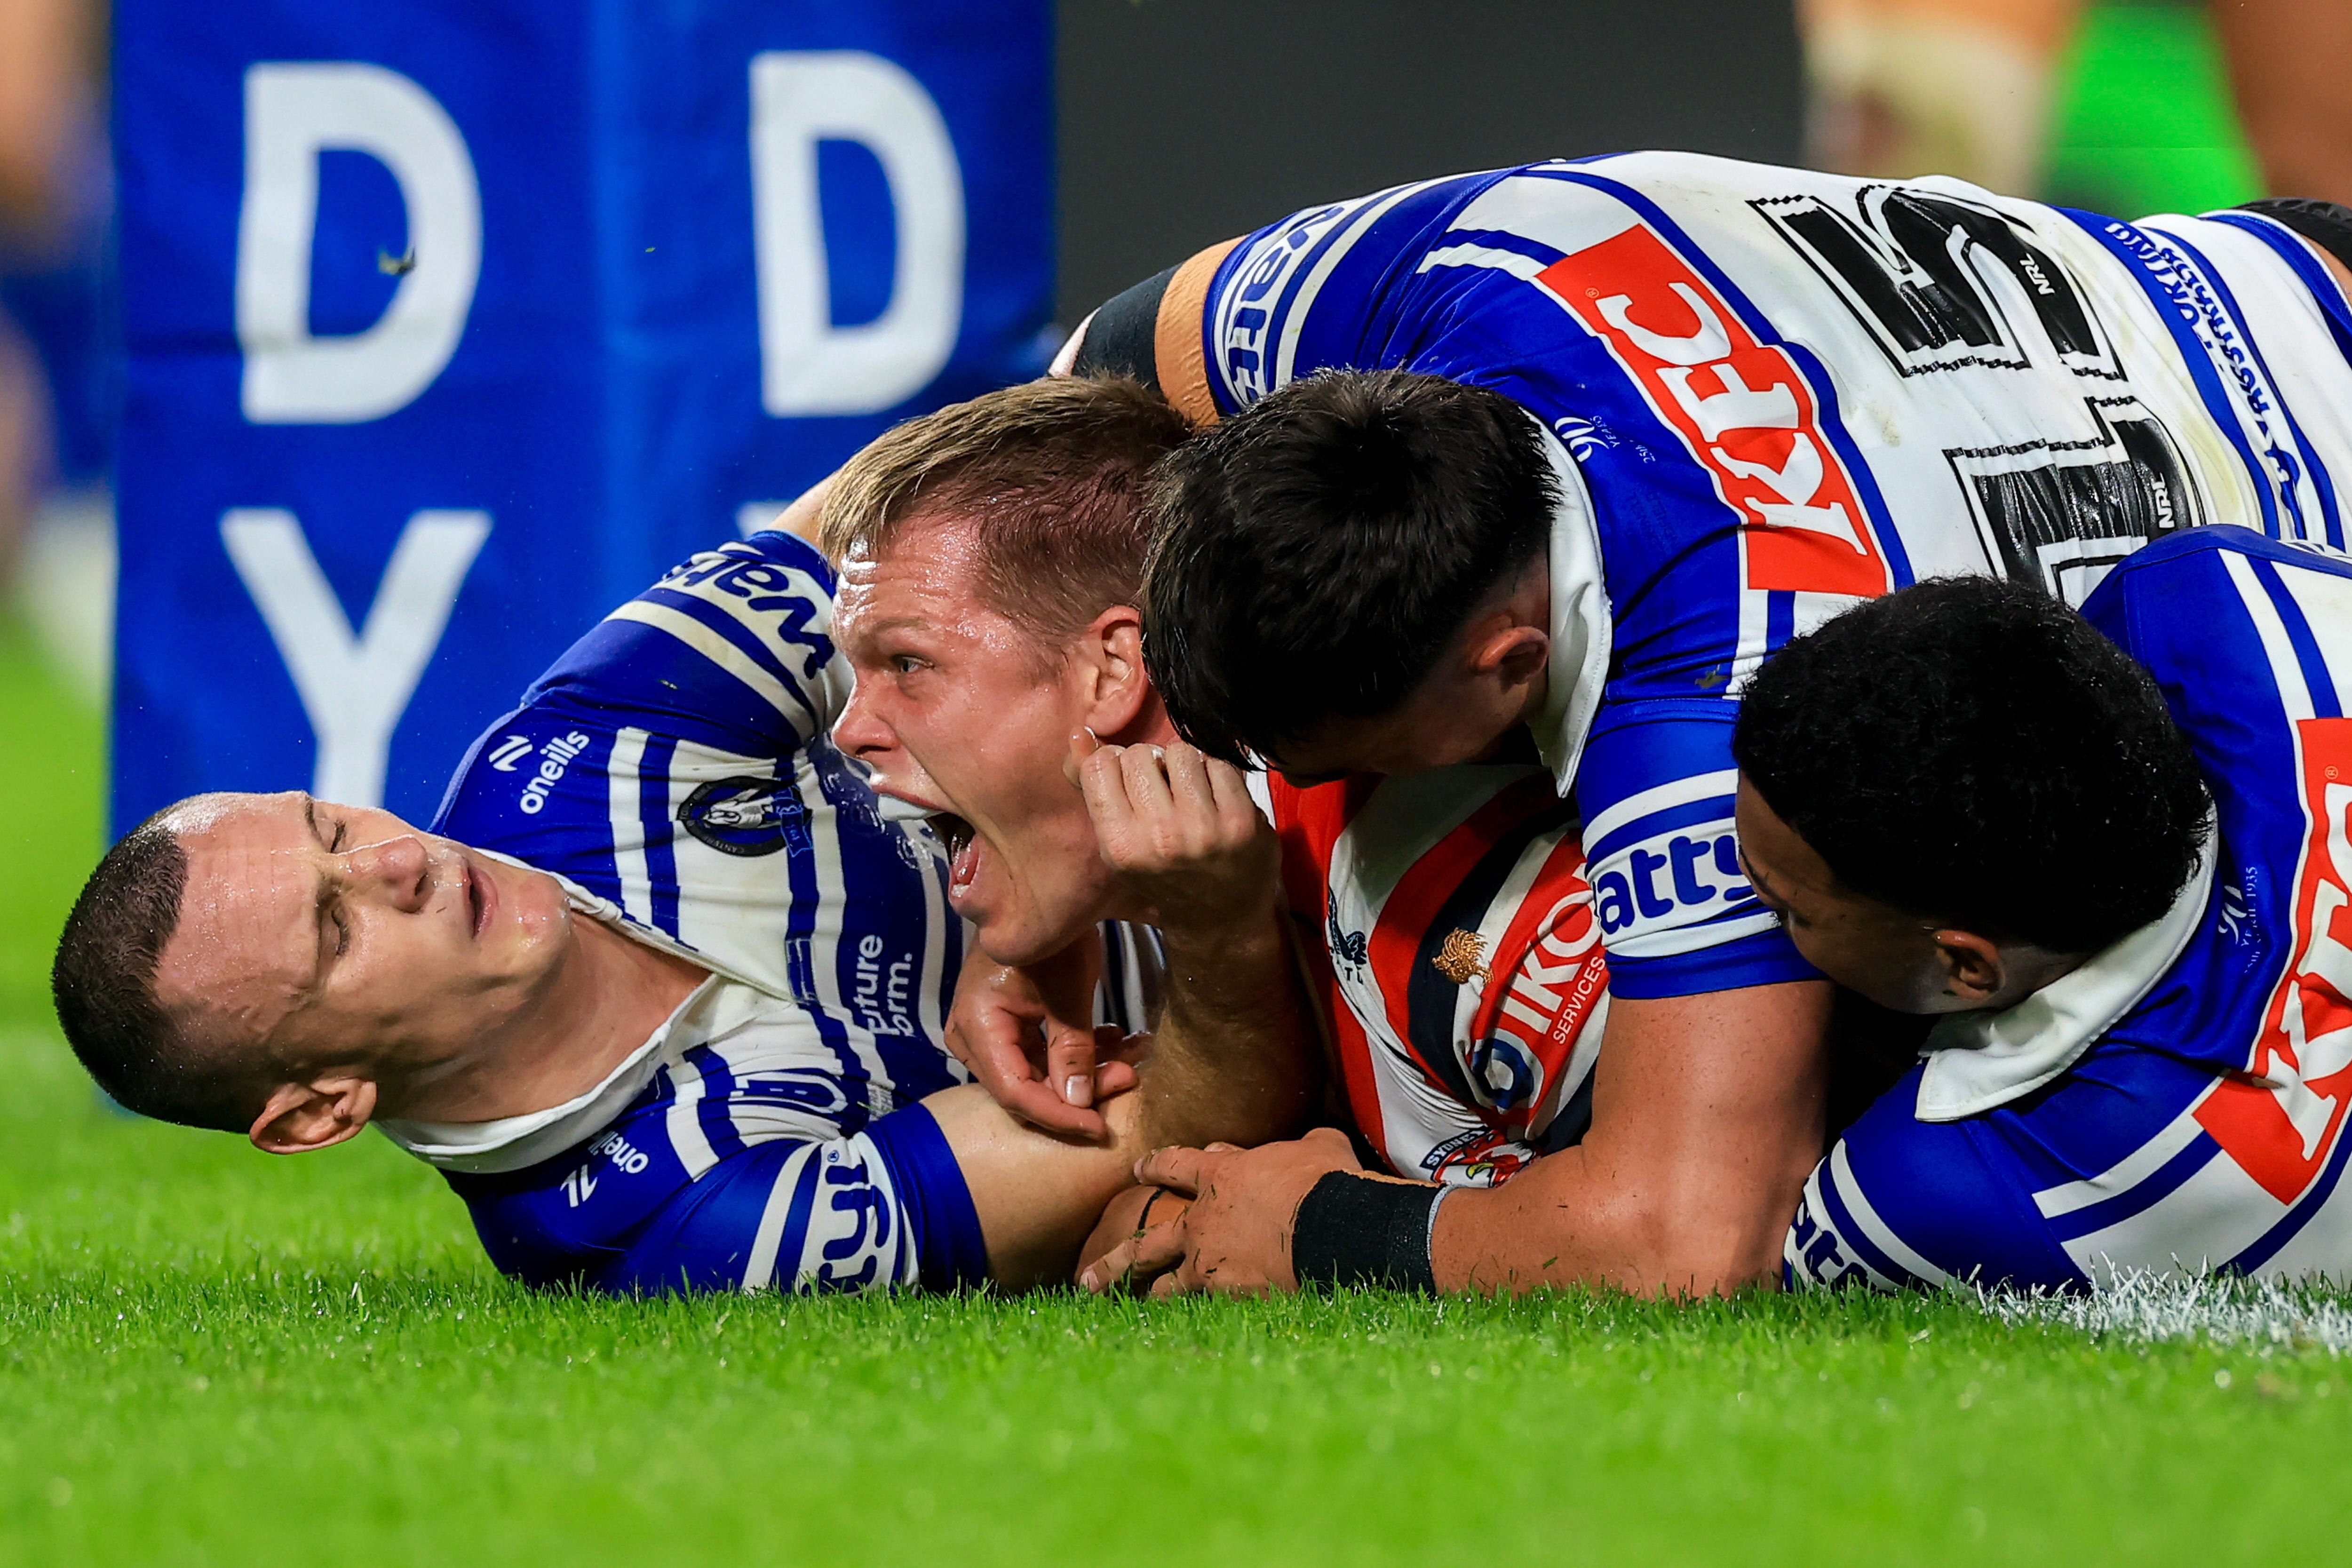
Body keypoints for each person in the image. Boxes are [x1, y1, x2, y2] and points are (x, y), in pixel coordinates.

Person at [1049, 150, 2352, 1297]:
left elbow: (1684, 1235)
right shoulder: (1475, 261)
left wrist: (1319, 1228)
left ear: (1507, 665)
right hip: (2258, 289)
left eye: (1326, 760)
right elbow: (1074, 391)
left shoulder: (1731, 712)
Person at [48, 524, 1310, 1296]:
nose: (398, 864)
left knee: (1124, 355)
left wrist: (1029, 886)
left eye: (334, 826)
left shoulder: (566, 758)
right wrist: (1217, 920)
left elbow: (909, 520)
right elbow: (1188, 1116)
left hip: (1295, 712)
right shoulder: (670, 1228)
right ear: (324, 1107)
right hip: (1377, 1019)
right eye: (335, 930)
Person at [1734, 527, 2352, 1290]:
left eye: (1786, 905)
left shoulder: (1948, 1187)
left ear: (1965, 964)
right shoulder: (2209, 594)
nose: (1747, 895)